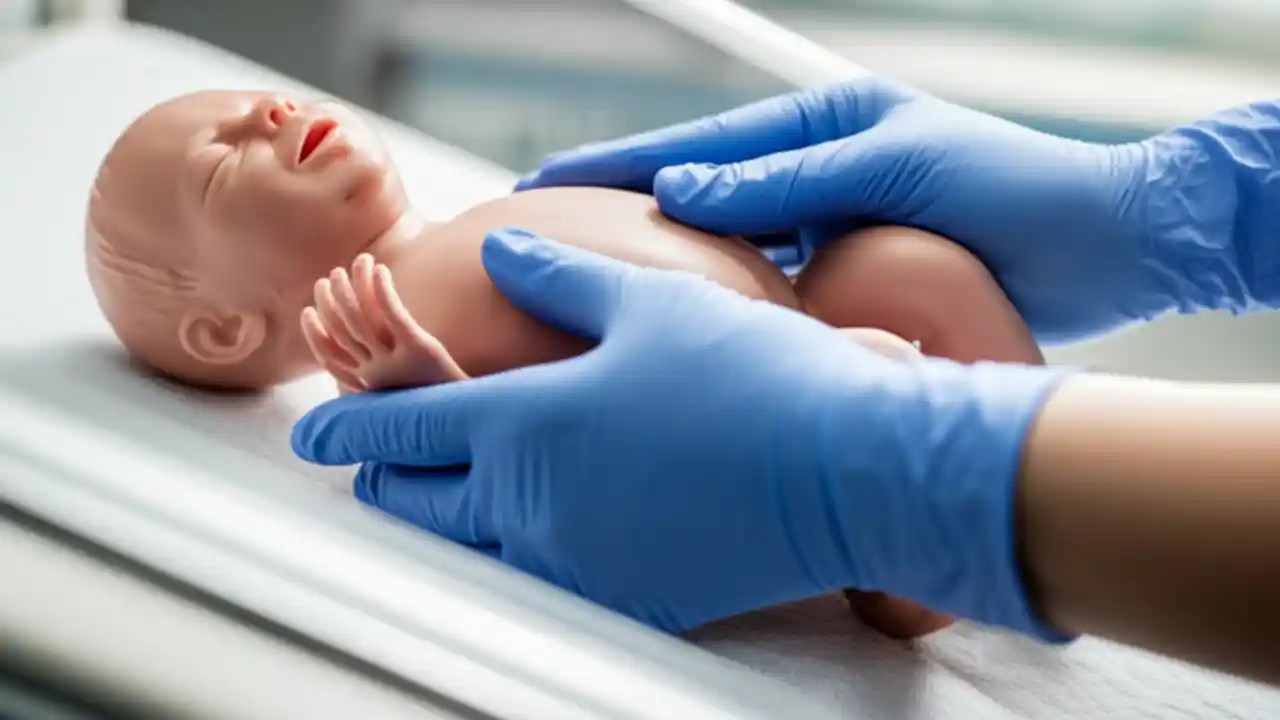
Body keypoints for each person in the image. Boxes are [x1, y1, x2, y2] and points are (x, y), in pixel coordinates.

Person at [291, 76, 1280, 684]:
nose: (274, 112)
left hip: (797, 330)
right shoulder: (358, 322)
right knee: (893, 279)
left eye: (258, 105)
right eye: (213, 162)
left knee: (896, 262)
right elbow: (443, 422)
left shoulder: (484, 210)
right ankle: (922, 537)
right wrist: (1200, 207)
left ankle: (976, 464)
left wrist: (1191, 211)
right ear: (220, 328)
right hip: (730, 399)